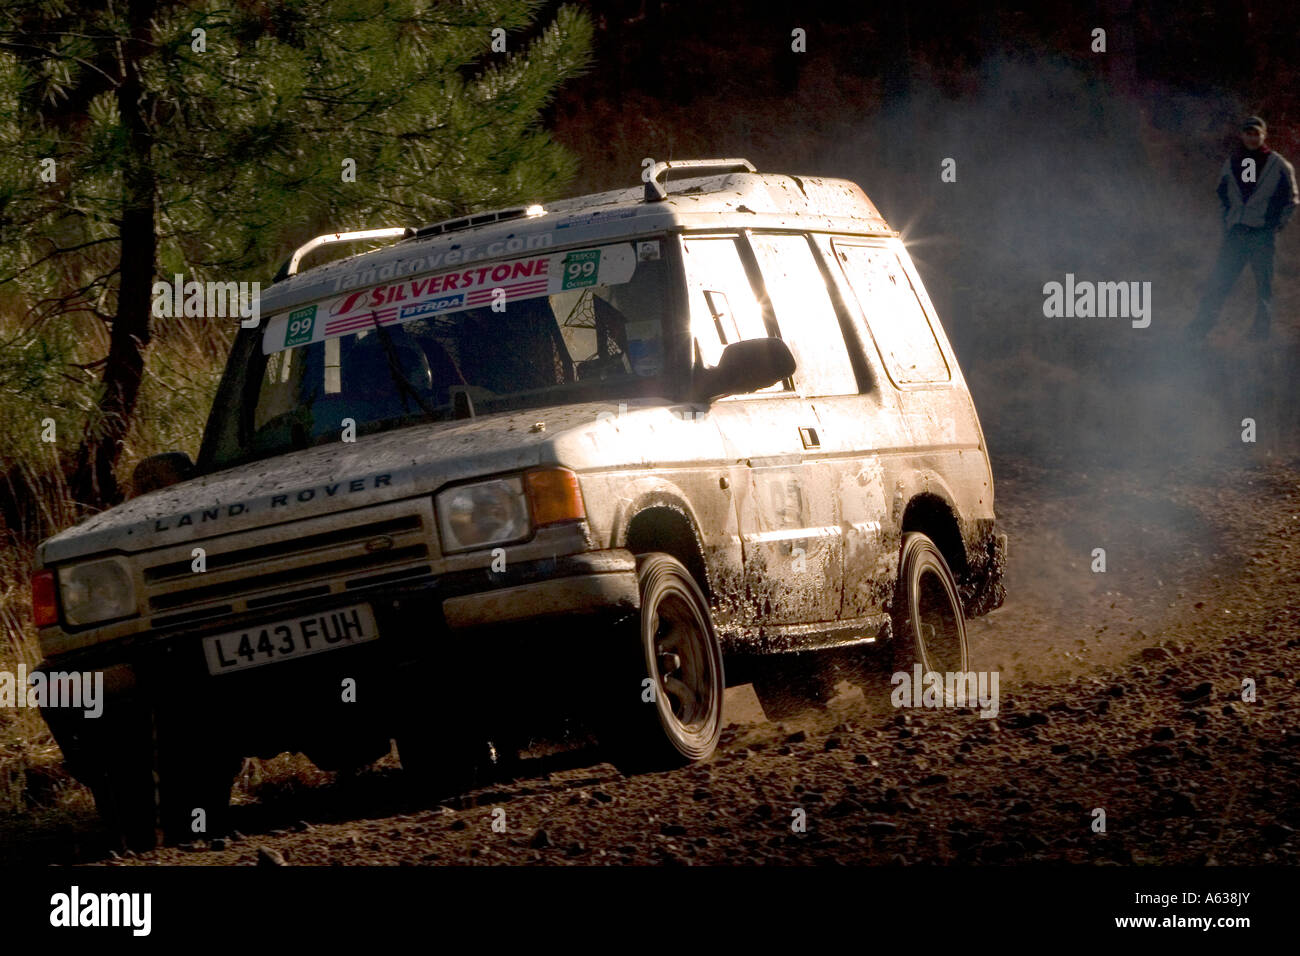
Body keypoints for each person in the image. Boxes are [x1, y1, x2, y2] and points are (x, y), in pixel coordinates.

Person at [1188, 116, 1298, 341]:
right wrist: (1228, 221)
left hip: (1261, 235)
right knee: (1220, 281)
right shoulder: (1233, 162)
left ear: (1264, 135)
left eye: (1256, 133)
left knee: (1263, 288)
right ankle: (1200, 328)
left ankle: (1260, 334)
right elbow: (1223, 193)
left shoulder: (1278, 164)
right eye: (1248, 133)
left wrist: (1275, 225)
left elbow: (1292, 199)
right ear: (1242, 135)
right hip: (1236, 233)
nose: (1252, 137)